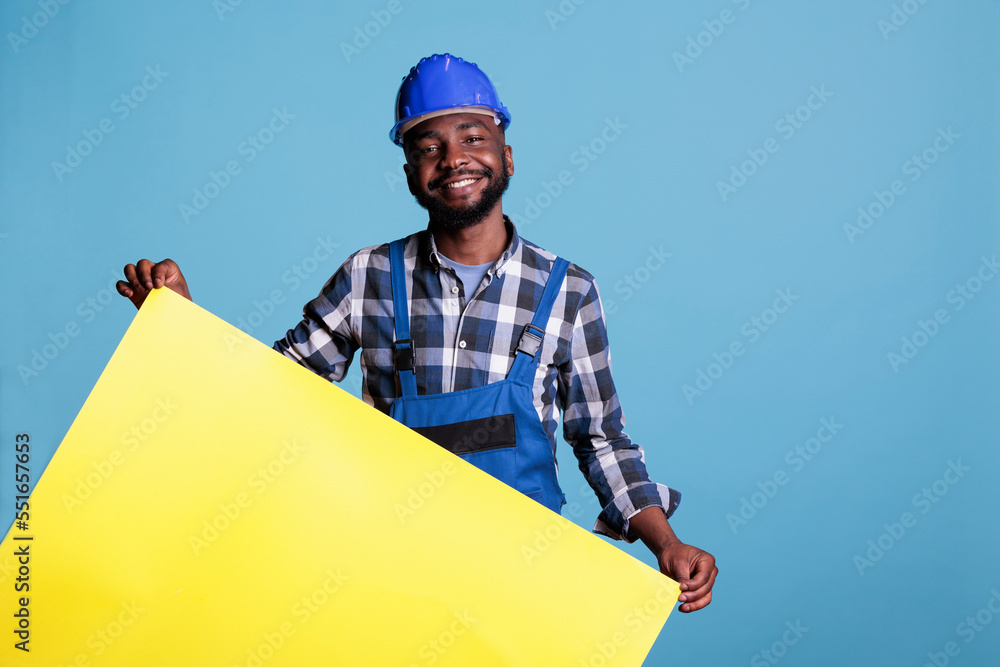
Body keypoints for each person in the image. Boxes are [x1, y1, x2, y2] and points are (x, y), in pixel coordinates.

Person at [117, 53, 717, 613]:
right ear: (411, 174)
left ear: (508, 155)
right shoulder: (368, 277)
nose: (453, 158)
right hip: (391, 581)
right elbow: (274, 391)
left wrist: (666, 543)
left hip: (524, 586)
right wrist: (182, 321)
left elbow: (601, 440)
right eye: (429, 146)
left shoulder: (568, 291)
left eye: (473, 138)